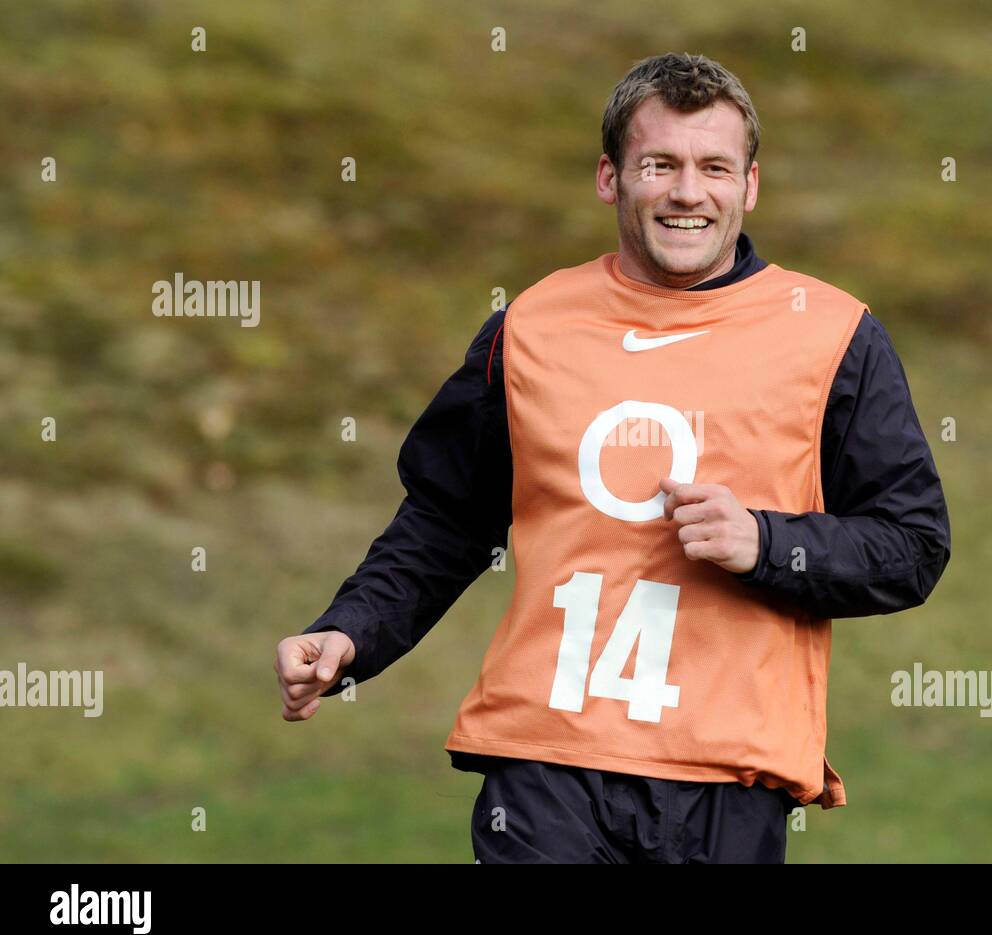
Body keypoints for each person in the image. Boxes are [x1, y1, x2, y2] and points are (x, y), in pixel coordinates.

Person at [274, 51, 951, 863]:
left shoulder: (834, 335)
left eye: (714, 167)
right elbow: (448, 516)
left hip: (728, 784)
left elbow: (912, 546)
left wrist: (768, 545)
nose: (687, 192)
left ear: (751, 185)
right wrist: (352, 632)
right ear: (610, 177)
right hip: (545, 769)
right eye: (658, 164)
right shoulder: (530, 325)